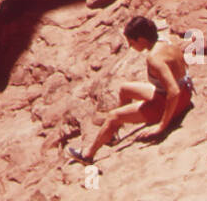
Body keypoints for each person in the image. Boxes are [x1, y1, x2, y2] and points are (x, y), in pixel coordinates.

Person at [68, 16, 193, 164]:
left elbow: (173, 91)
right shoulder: (165, 40)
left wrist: (161, 126)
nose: (130, 46)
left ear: (141, 39)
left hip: (173, 101)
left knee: (113, 116)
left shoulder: (154, 58)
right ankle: (113, 131)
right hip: (185, 90)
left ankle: (88, 155)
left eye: (131, 42)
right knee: (124, 89)